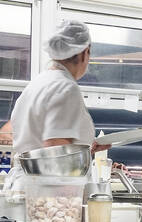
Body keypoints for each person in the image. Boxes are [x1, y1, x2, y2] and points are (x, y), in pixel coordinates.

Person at [9, 21, 108, 156]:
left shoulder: (39, 82)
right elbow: (56, 152)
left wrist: (86, 149)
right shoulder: (66, 88)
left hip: (29, 174)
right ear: (85, 53)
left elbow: (41, 144)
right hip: (49, 176)